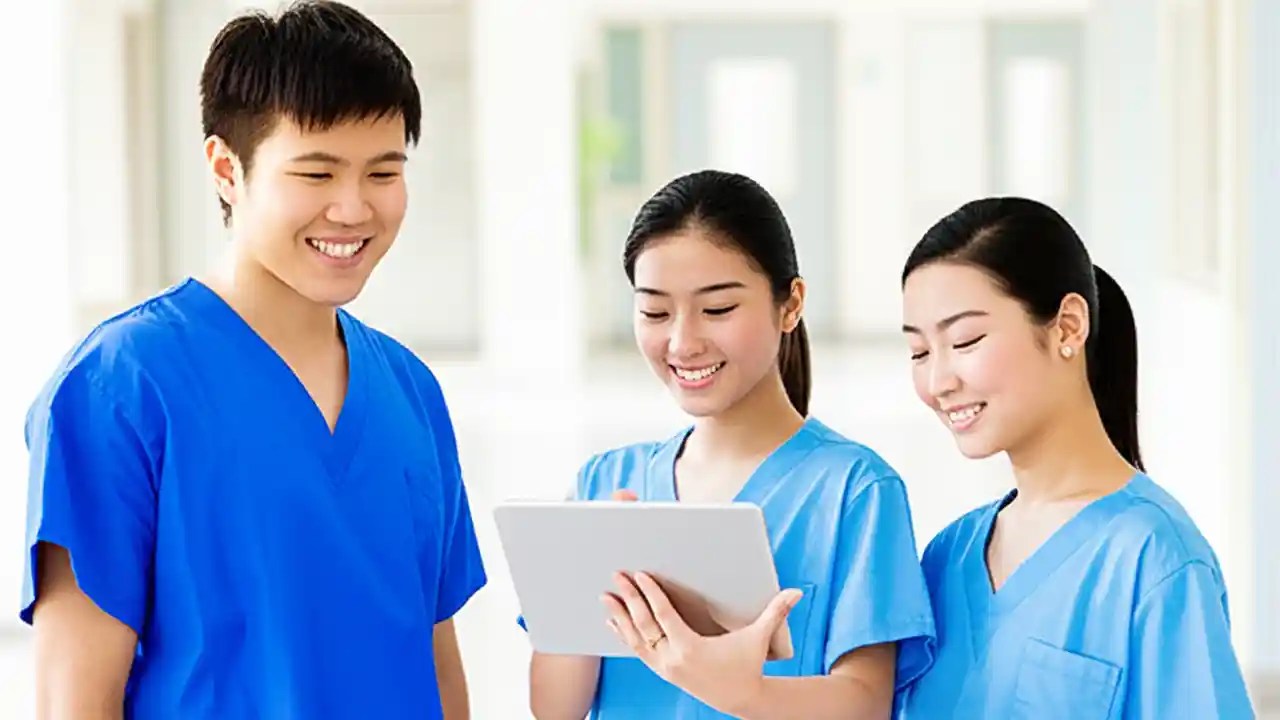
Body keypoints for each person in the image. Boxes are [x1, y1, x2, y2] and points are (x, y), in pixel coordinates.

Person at [20, 2, 486, 718]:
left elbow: (436, 667)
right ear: (226, 169)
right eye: (316, 174)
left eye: (383, 172)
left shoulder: (409, 390)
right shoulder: (121, 386)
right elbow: (71, 701)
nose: (355, 209)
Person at [526, 169, 936, 720]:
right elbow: (555, 710)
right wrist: (586, 587)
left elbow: (864, 704)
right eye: (654, 311)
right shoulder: (604, 482)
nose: (682, 341)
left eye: (717, 309)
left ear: (790, 304)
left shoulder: (855, 490)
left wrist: (741, 689)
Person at [896, 197, 1255, 718]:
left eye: (965, 340)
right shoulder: (946, 557)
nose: (938, 382)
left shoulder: (1155, 558)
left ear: (1067, 327)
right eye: (920, 353)